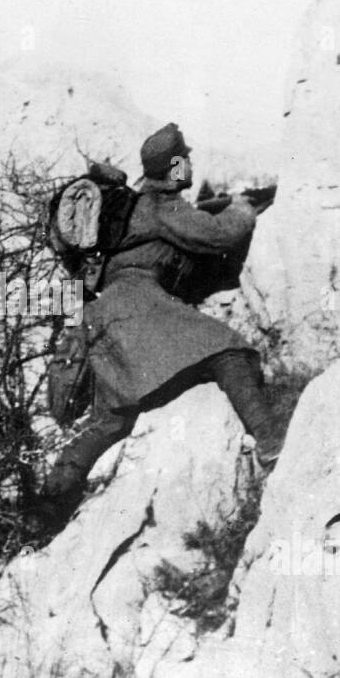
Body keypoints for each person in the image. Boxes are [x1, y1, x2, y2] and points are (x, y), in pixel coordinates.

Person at [32, 122, 281, 537]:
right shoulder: (162, 206)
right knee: (229, 352)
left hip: (102, 315)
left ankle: (47, 507)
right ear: (177, 165)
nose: (191, 165)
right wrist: (242, 207)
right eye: (187, 159)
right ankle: (272, 444)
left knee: (109, 420)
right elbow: (218, 235)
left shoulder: (130, 209)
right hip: (140, 303)